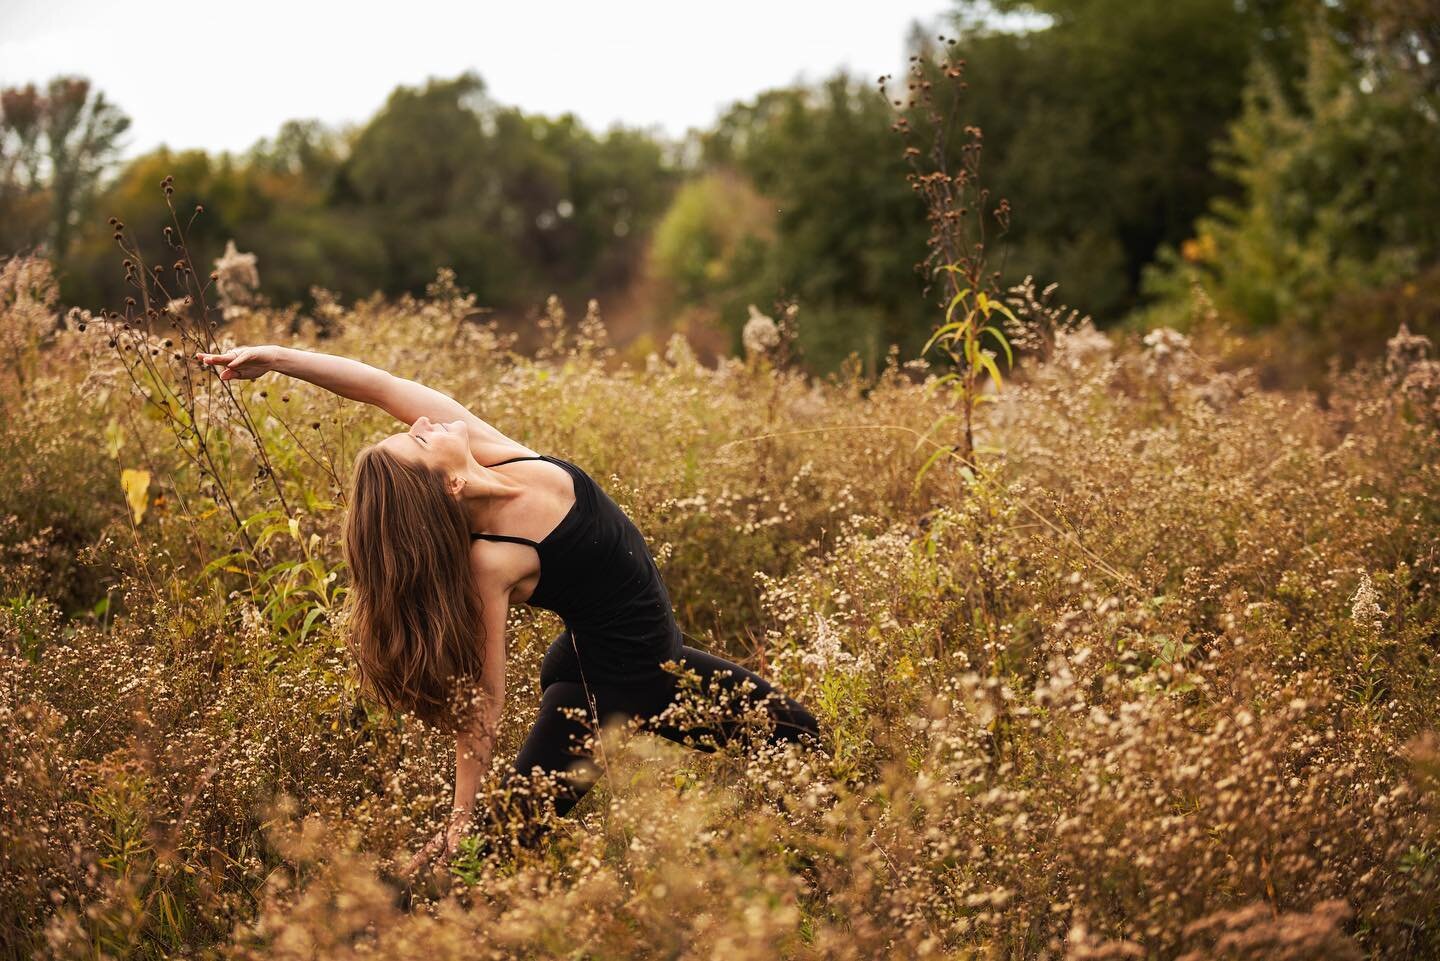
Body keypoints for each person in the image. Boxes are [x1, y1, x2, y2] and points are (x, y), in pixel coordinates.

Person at [196, 344, 823, 875]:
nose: (420, 423)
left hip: (607, 660)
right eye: (415, 440)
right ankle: (405, 909)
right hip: (623, 689)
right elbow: (482, 700)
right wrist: (460, 815)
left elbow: (381, 386)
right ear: (447, 487)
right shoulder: (492, 561)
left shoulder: (489, 453)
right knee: (492, 853)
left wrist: (275, 359)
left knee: (808, 742)